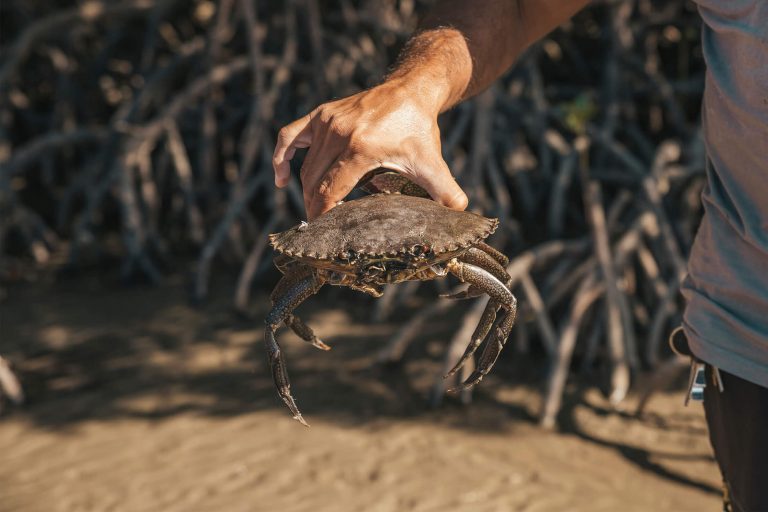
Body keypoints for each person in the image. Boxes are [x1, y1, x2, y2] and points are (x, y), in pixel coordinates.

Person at [272, 1, 768, 509]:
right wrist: (414, 88)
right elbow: (514, 6)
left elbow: (501, 296)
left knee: (500, 296)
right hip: (745, 348)